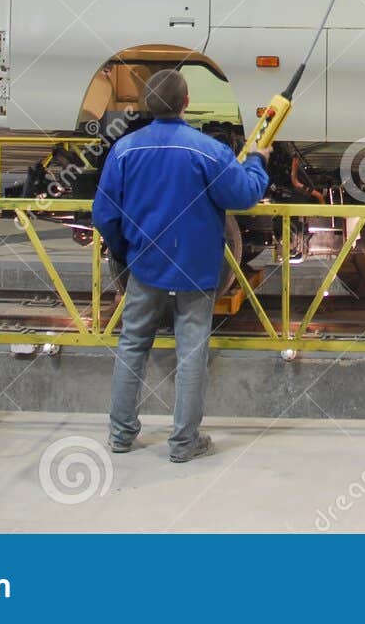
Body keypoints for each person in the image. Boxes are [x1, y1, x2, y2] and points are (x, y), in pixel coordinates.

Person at [93, 69, 271, 462]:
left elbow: (104, 214)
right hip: (196, 270)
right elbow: (244, 195)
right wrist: (258, 160)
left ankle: (121, 436)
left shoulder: (124, 150)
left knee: (132, 345)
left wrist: (125, 252)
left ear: (146, 104)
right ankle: (184, 442)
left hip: (145, 267)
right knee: (191, 354)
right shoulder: (208, 151)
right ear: (186, 103)